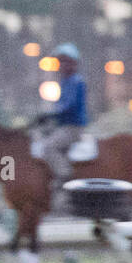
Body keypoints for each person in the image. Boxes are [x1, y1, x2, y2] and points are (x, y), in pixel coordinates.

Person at [33, 42, 88, 194]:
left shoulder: (76, 82)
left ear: (73, 63)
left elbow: (68, 106)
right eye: (60, 61)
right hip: (63, 125)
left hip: (73, 128)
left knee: (49, 147)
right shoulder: (65, 82)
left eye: (65, 61)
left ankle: (65, 175)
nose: (61, 65)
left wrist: (50, 114)